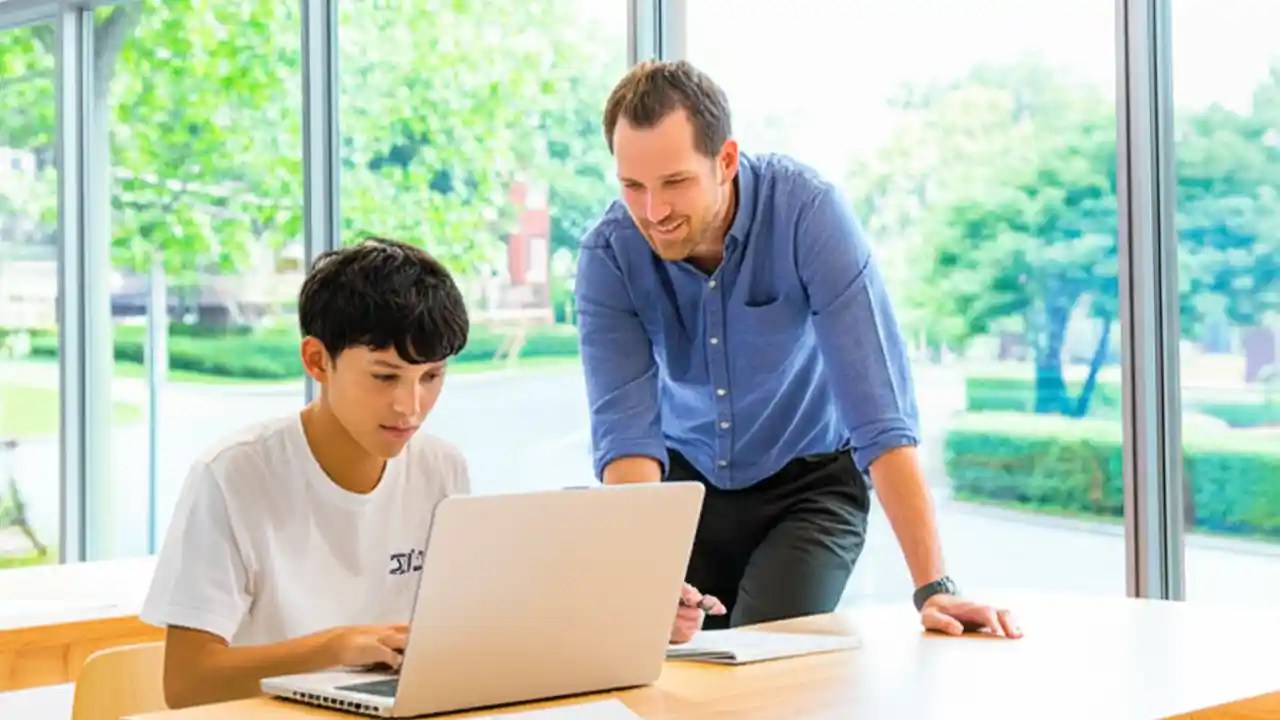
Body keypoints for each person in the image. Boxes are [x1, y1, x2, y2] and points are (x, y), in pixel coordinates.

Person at [141, 237, 724, 710]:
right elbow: (187, 682)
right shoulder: (233, 475)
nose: (410, 407)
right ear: (317, 360)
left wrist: (631, 614)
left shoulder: (441, 467)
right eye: (384, 377)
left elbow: (476, 634)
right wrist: (335, 648)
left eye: (432, 378)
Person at [575, 59, 1022, 639]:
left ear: (726, 161)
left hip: (809, 485)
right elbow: (626, 437)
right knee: (664, 652)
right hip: (684, 488)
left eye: (675, 183)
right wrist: (645, 577)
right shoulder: (609, 255)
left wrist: (934, 588)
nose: (653, 212)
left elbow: (878, 414)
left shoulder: (808, 214)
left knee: (768, 653)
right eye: (633, 187)